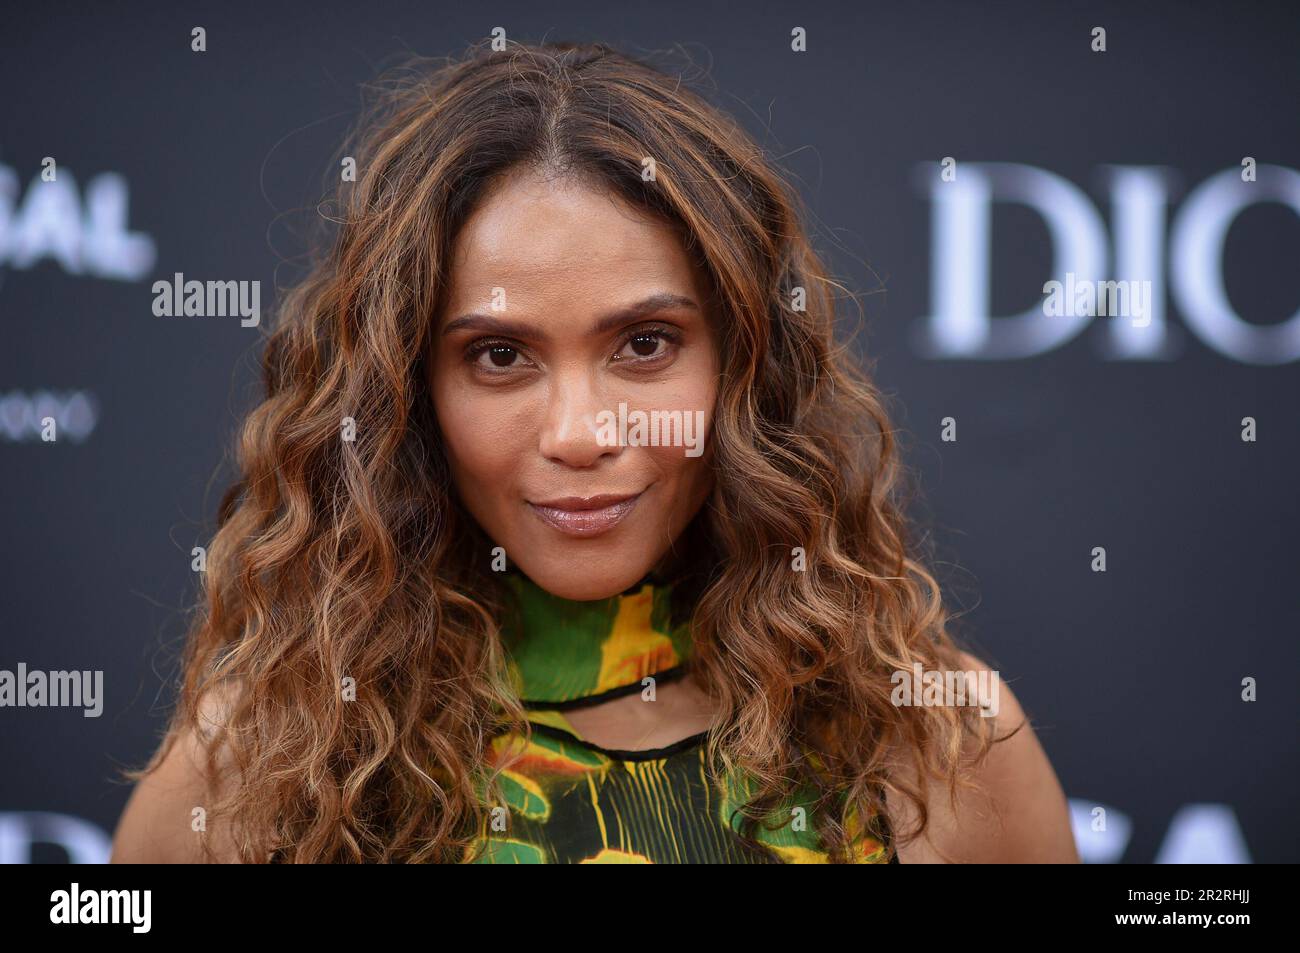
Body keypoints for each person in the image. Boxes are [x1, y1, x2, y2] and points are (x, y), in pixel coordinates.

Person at [111, 39, 1078, 863]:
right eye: (498, 355)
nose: (580, 434)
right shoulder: (259, 758)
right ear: (406, 389)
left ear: (747, 363)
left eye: (645, 345)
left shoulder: (940, 737)